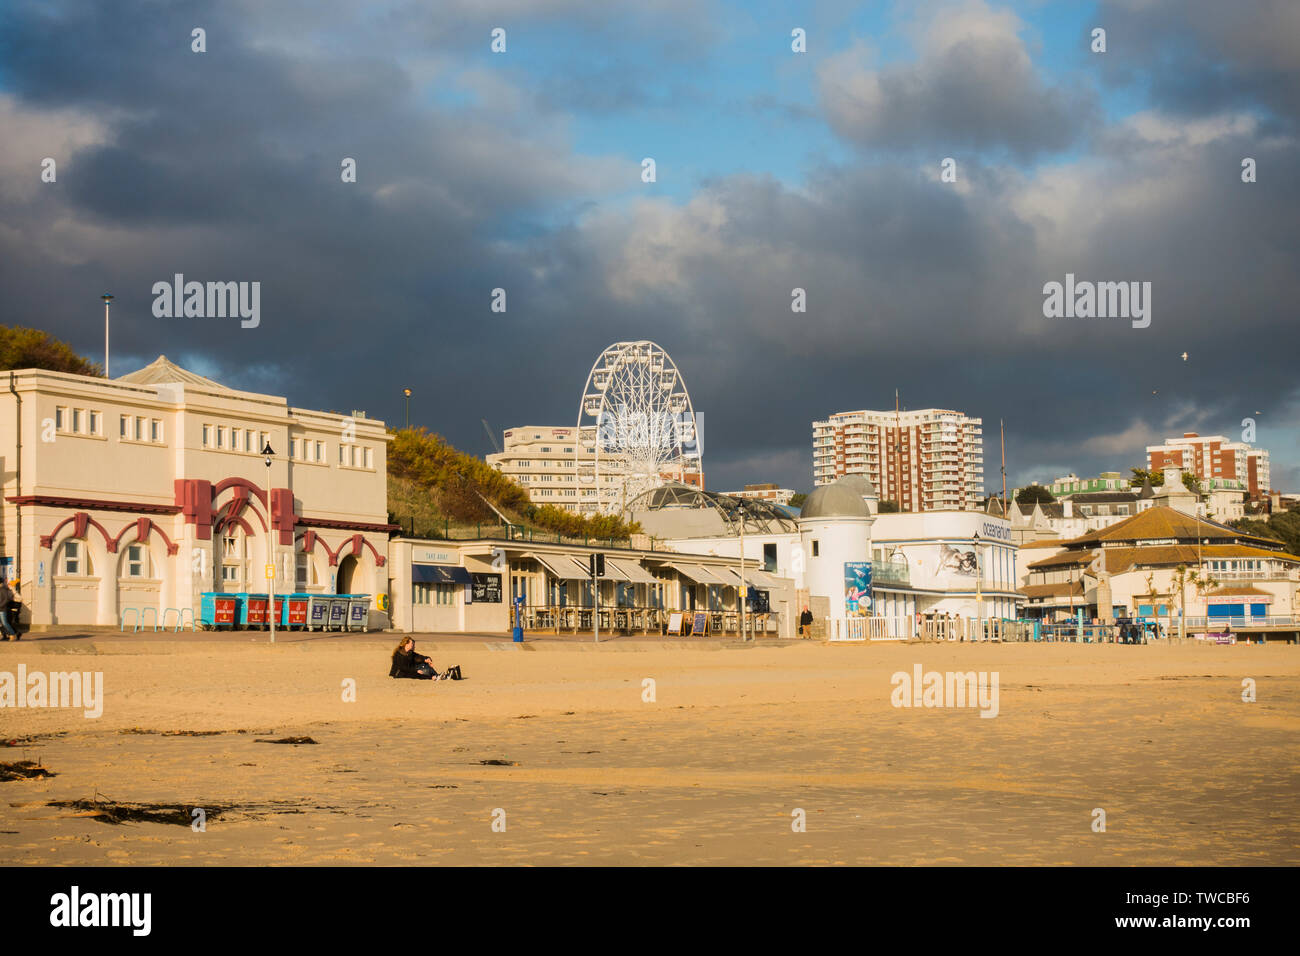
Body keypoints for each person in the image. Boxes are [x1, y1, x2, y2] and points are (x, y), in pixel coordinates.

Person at [389, 637, 462, 681]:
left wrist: (426, 659)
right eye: (412, 644)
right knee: (417, 673)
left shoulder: (410, 652)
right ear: (406, 644)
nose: (414, 646)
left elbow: (418, 657)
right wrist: (416, 670)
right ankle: (432, 677)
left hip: (408, 669)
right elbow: (403, 667)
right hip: (399, 673)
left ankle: (437, 676)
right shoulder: (398, 654)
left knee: (424, 664)